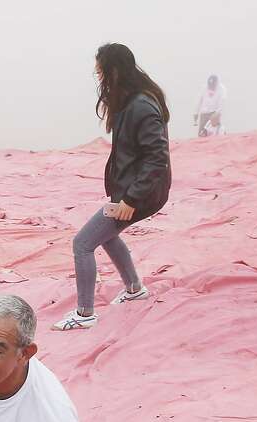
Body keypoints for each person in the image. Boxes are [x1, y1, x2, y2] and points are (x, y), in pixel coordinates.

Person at [54, 43, 171, 331]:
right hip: (133, 190)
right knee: (106, 235)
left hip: (140, 194)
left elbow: (157, 158)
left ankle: (85, 314)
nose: (99, 79)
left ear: (114, 71)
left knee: (82, 243)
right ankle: (134, 288)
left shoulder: (141, 106)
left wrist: (131, 199)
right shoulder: (131, 101)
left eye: (100, 73)